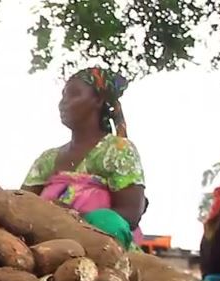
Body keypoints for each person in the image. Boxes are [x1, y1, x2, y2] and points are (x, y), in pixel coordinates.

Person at [22, 67, 146, 250]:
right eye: (63, 96)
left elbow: (130, 214)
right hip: (46, 244)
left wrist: (72, 220)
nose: (62, 103)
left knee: (109, 222)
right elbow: (22, 203)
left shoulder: (118, 150)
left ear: (98, 100)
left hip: (100, 246)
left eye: (73, 94)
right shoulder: (47, 159)